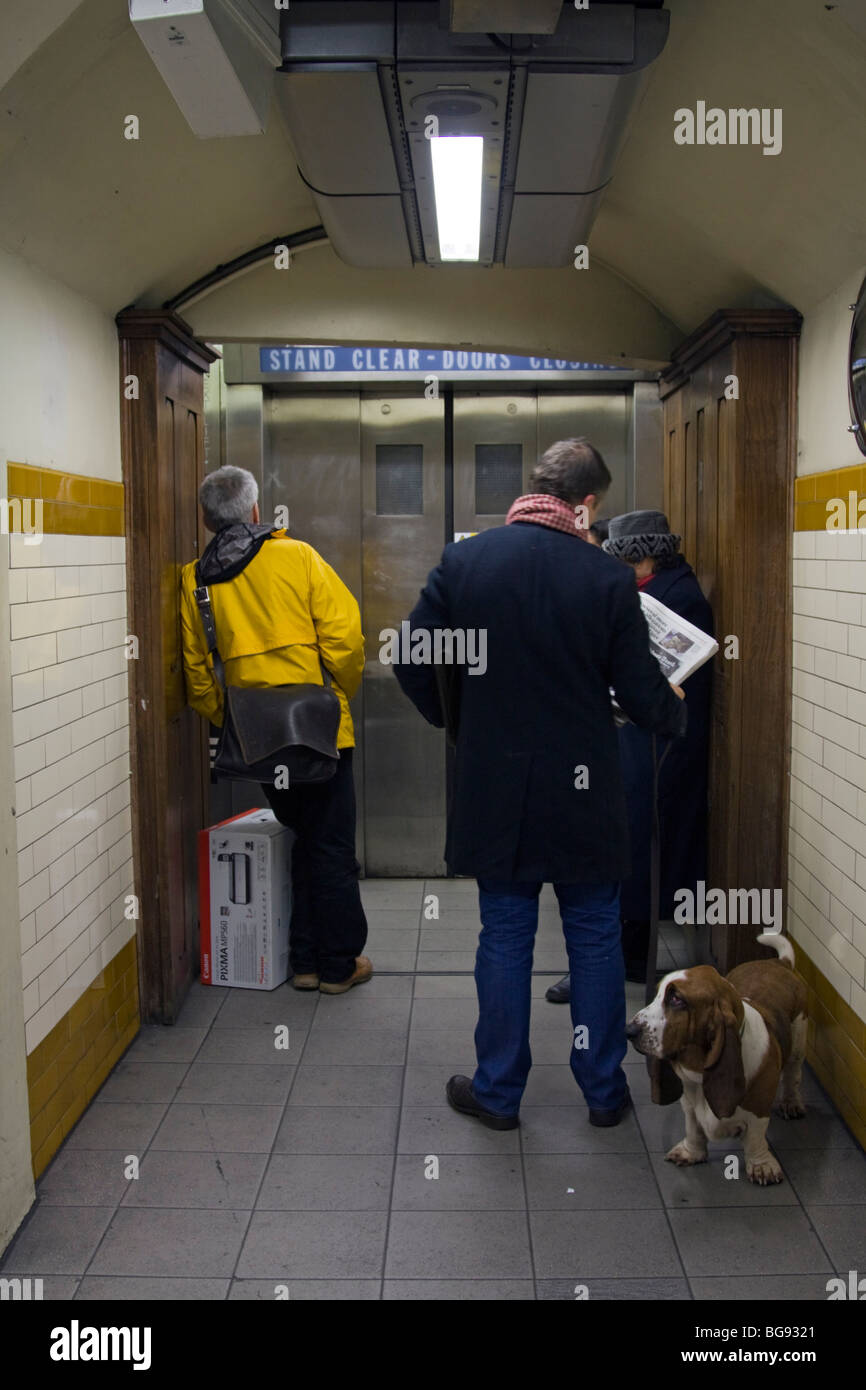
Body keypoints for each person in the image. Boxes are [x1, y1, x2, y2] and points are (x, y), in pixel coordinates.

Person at [392, 440, 686, 1129]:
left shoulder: (468, 561)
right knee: (593, 937)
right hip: (585, 791)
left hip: (496, 789)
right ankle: (603, 1092)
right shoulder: (606, 578)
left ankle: (497, 1093)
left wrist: (460, 721)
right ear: (585, 504)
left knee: (504, 937)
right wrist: (672, 709)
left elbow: (412, 655)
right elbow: (642, 693)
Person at [179, 465, 371, 995]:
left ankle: (305, 962)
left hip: (257, 738)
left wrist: (234, 718)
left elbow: (197, 676)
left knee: (302, 837)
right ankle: (336, 965)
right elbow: (347, 639)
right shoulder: (299, 558)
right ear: (257, 511)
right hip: (321, 730)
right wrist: (333, 697)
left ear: (206, 519)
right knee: (330, 844)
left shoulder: (196, 580)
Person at [546, 509, 713, 1003]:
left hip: (657, 746)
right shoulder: (655, 588)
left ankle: (621, 961)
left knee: (635, 849)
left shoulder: (678, 596)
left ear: (643, 556)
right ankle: (621, 959)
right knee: (629, 847)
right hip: (636, 737)